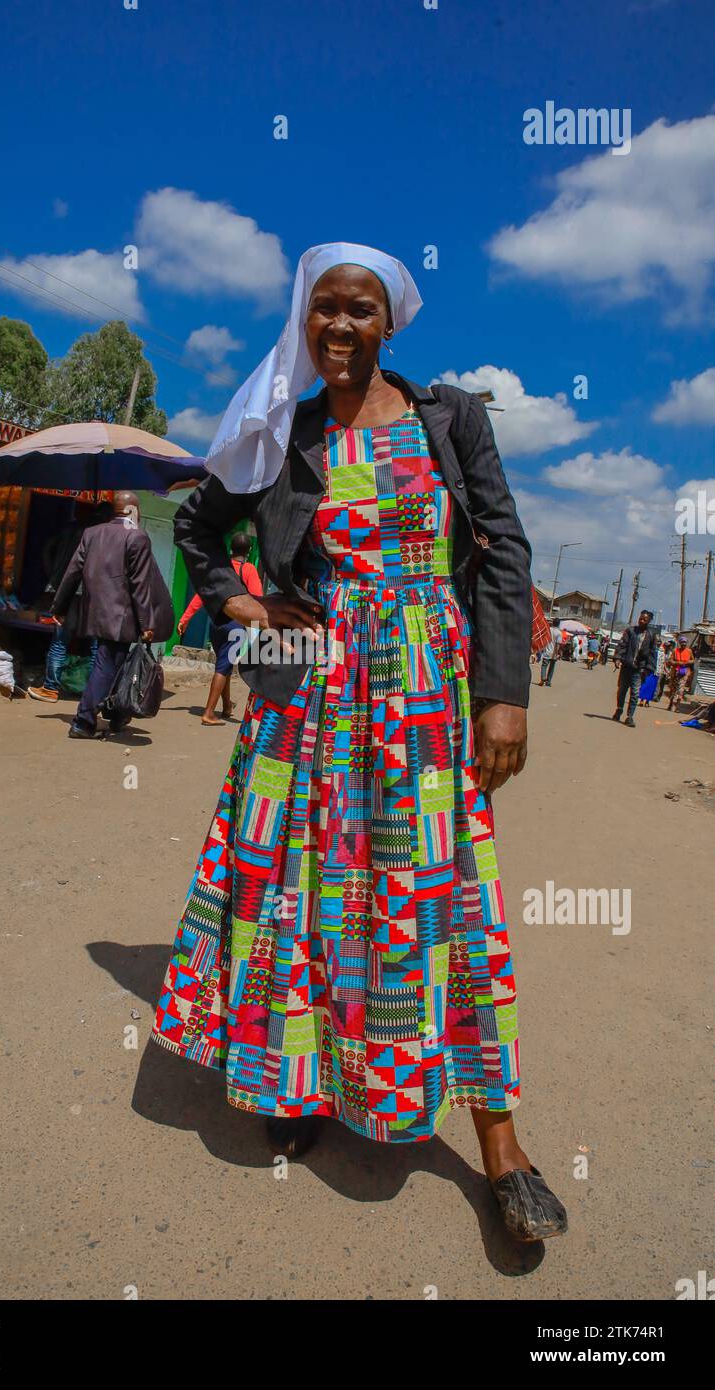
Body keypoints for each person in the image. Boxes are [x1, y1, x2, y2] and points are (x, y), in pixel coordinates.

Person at [151, 242, 567, 1243]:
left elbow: (501, 545)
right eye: (324, 309)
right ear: (305, 319)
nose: (339, 325)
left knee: (439, 898)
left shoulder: (449, 416)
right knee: (300, 891)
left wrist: (500, 694)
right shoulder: (279, 432)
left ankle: (498, 1141)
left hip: (424, 692)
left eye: (360, 310)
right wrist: (246, 603)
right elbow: (200, 532)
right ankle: (295, 1082)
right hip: (310, 698)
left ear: (390, 323)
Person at [51, 491, 173, 739]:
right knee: (106, 666)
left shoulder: (92, 533)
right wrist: (146, 622)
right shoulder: (137, 537)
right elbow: (140, 584)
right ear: (131, 511)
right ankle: (83, 721)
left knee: (116, 665)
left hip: (93, 612)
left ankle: (117, 715)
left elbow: (72, 572)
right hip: (121, 617)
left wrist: (60, 608)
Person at [177, 532, 262, 725]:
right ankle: (208, 713)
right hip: (235, 627)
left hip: (215, 625)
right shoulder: (248, 570)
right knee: (223, 668)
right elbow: (258, 598)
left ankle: (226, 706)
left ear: (230, 549)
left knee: (224, 664)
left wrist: (185, 619)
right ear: (248, 551)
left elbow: (201, 595)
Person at [28, 502, 97, 703]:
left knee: (60, 641)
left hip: (66, 591)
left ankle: (50, 688)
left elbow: (47, 551)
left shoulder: (70, 530)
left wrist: (54, 575)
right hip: (87, 594)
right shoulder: (94, 534)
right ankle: (92, 691)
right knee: (93, 643)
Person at [612, 609, 657, 727]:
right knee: (622, 690)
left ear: (649, 621)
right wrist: (617, 658)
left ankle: (629, 716)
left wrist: (649, 668)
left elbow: (652, 653)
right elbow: (622, 645)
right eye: (640, 618)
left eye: (645, 619)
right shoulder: (630, 631)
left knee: (635, 693)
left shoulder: (651, 636)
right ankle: (619, 709)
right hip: (626, 667)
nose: (642, 621)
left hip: (639, 669)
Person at [667, 637, 694, 710]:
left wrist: (686, 662)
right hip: (675, 672)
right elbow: (670, 660)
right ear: (680, 643)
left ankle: (677, 707)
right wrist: (676, 662)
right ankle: (670, 704)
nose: (683, 644)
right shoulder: (675, 650)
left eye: (685, 642)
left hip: (684, 672)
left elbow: (692, 660)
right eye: (682, 642)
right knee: (673, 689)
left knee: (680, 690)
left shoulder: (689, 651)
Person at [539, 621, 562, 686]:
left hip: (547, 651)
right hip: (553, 653)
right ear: (558, 624)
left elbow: (543, 640)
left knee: (544, 666)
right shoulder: (559, 633)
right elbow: (558, 644)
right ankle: (548, 682)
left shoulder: (548, 630)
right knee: (551, 668)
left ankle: (543, 678)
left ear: (552, 623)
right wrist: (556, 653)